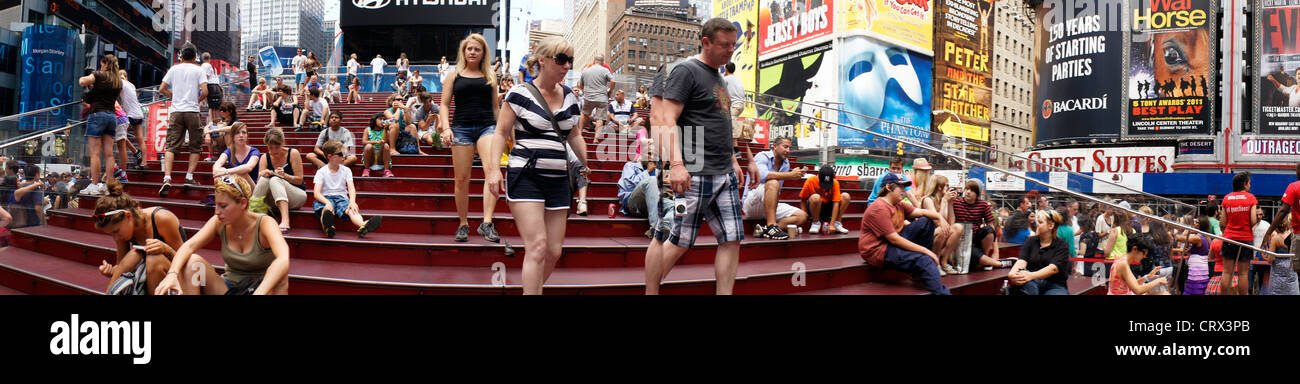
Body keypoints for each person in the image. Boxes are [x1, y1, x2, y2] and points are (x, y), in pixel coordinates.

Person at [642, 19, 747, 295]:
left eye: (733, 45)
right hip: (694, 171)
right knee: (679, 241)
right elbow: (667, 119)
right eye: (725, 45)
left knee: (732, 239)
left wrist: (734, 160)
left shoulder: (720, 77)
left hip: (723, 172)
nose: (730, 51)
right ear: (706, 42)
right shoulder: (686, 71)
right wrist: (676, 164)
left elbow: (720, 122)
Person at [485, 36, 588, 294]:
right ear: (542, 60)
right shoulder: (519, 94)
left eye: (570, 61)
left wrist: (585, 164)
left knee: (554, 251)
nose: (567, 66)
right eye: (561, 59)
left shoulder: (570, 96)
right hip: (526, 175)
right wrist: (493, 170)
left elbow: (574, 134)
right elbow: (500, 133)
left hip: (559, 179)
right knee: (538, 246)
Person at [154, 176, 290, 295]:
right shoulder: (218, 222)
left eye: (223, 206)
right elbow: (189, 246)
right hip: (228, 288)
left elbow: (283, 258)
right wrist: (172, 274)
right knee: (193, 262)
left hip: (261, 287)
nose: (217, 212)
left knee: (281, 275)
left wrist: (259, 293)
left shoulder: (264, 223)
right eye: (216, 205)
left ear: (243, 203)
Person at [440, 33, 502, 243]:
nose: (473, 52)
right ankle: (463, 223)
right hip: (461, 128)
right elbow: (444, 104)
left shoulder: (490, 75)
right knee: (461, 179)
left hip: (488, 127)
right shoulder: (453, 75)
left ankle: (487, 222)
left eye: (477, 49)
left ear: (484, 52)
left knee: (492, 172)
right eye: (470, 49)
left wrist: (503, 131)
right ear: (464, 51)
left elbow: (496, 106)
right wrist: (446, 128)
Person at [860, 173, 952, 294]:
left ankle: (921, 269)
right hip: (878, 249)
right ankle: (941, 291)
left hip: (892, 241)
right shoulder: (879, 208)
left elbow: (922, 212)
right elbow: (894, 239)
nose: (904, 191)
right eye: (901, 187)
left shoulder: (898, 204)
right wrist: (926, 251)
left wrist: (939, 217)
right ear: (888, 188)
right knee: (925, 259)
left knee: (926, 221)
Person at [92, 181, 184, 294]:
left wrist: (165, 249)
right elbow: (122, 267)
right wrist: (111, 271)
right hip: (146, 275)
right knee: (135, 255)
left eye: (116, 231)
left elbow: (186, 261)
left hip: (177, 274)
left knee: (152, 259)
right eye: (112, 234)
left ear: (128, 216)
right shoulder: (123, 230)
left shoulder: (162, 219)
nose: (116, 238)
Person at [157, 44, 208, 198]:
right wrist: (196, 100)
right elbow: (205, 91)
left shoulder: (173, 69)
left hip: (176, 112)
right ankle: (189, 177)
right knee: (195, 146)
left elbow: (161, 89)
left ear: (181, 56)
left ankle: (167, 178)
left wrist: (174, 96)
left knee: (171, 146)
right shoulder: (199, 70)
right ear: (194, 57)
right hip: (192, 111)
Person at [313, 140, 385, 239]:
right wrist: (327, 202)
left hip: (342, 198)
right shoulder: (321, 172)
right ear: (330, 157)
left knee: (352, 210)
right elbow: (316, 193)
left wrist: (352, 201)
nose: (344, 156)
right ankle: (328, 227)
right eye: (341, 154)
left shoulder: (346, 170)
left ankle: (363, 225)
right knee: (326, 210)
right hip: (325, 198)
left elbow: (351, 188)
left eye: (345, 154)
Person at [742, 137, 807, 240]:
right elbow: (763, 175)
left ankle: (766, 230)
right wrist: (790, 175)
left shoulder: (786, 164)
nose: (788, 151)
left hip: (770, 204)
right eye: (785, 147)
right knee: (773, 182)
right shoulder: (762, 156)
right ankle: (771, 225)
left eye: (790, 148)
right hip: (753, 203)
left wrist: (790, 174)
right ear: (775, 146)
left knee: (801, 216)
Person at [77, 54, 124, 196]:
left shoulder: (99, 75)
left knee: (95, 153)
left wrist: (91, 77)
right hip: (111, 117)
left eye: (102, 63)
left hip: (97, 115)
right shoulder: (118, 81)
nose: (101, 65)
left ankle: (94, 184)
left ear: (105, 63)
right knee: (109, 154)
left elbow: (82, 82)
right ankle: (108, 185)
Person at [253, 128, 307, 233]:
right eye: (270, 148)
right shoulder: (265, 157)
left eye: (277, 147)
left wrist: (285, 176)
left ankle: (285, 220)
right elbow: (259, 182)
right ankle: (254, 214)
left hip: (296, 196)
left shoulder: (293, 153)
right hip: (274, 199)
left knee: (275, 179)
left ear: (282, 143)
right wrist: (262, 174)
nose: (274, 151)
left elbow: (299, 180)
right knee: (264, 180)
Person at [952, 179, 1010, 274]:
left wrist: (996, 251)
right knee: (973, 252)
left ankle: (985, 258)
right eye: (967, 189)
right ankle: (999, 264)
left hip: (976, 236)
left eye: (972, 190)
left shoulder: (983, 204)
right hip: (961, 238)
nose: (968, 192)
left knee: (989, 230)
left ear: (977, 193)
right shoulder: (956, 203)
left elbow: (991, 227)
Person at [1007, 209, 1070, 295]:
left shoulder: (1062, 245)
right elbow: (1022, 260)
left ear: (1051, 225)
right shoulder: (1031, 241)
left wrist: (1031, 275)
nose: (1037, 224)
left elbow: (1053, 269)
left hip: (1055, 285)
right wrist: (1012, 273)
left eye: (1040, 222)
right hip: (1032, 281)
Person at [1219, 172, 1258, 295]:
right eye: (1249, 183)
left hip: (1229, 238)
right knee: (1243, 273)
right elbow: (1253, 220)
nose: (1250, 185)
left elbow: (1223, 221)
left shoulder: (1226, 198)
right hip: (1245, 239)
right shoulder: (1251, 198)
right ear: (1245, 184)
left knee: (1226, 272)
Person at [916, 173, 961, 273]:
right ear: (939, 187)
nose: (949, 188)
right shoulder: (927, 200)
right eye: (947, 185)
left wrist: (950, 203)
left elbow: (951, 222)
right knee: (942, 230)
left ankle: (944, 262)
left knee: (958, 227)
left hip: (940, 233)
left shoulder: (944, 200)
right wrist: (945, 201)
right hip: (927, 235)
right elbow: (937, 222)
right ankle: (935, 263)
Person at [800, 165, 852, 235]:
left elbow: (836, 203)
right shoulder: (811, 180)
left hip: (828, 208)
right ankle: (816, 223)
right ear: (818, 176)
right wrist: (804, 215)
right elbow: (803, 200)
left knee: (846, 196)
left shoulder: (835, 182)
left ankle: (837, 223)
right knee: (816, 197)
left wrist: (832, 224)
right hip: (814, 207)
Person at [211, 122, 261, 189]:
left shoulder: (254, 151)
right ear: (232, 136)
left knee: (242, 172)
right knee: (219, 174)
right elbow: (216, 166)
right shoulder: (229, 151)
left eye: (244, 132)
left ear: (247, 135)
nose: (241, 135)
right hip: (235, 186)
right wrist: (220, 171)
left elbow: (248, 167)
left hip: (251, 188)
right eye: (237, 133)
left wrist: (226, 172)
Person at [576, 54, 615, 137]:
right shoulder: (605, 70)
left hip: (588, 97)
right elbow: (613, 81)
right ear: (603, 62)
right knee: (600, 118)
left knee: (584, 114)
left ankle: (579, 132)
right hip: (602, 98)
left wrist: (584, 90)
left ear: (594, 61)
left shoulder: (586, 70)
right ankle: (596, 138)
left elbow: (580, 85)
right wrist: (610, 91)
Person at [117, 70, 146, 170]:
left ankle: (135, 151)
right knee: (140, 139)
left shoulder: (120, 83)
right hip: (139, 113)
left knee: (120, 135)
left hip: (131, 114)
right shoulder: (131, 85)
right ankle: (143, 163)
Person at [1265, 217, 1297, 295]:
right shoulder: (1292, 236)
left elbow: (1270, 259)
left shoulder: (1275, 239)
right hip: (1291, 266)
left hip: (1277, 270)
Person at [722, 62, 751, 140]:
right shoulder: (737, 79)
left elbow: (719, 89)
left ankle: (735, 147)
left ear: (726, 69)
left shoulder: (726, 79)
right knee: (730, 122)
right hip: (741, 104)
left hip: (735, 104)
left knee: (731, 123)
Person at [362, 112, 394, 178]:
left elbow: (385, 141)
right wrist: (376, 142)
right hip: (371, 156)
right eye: (380, 119)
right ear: (374, 120)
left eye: (384, 119)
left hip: (381, 156)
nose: (382, 121)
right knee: (368, 146)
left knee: (386, 145)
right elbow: (364, 142)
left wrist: (385, 129)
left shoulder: (386, 131)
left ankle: (387, 170)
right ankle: (366, 169)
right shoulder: (367, 130)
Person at [200, 52, 224, 126]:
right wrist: (203, 88)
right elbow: (205, 77)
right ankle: (213, 123)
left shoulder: (204, 66)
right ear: (209, 59)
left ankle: (213, 123)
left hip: (212, 86)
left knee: (213, 106)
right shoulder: (207, 65)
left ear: (203, 59)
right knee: (215, 106)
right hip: (212, 86)